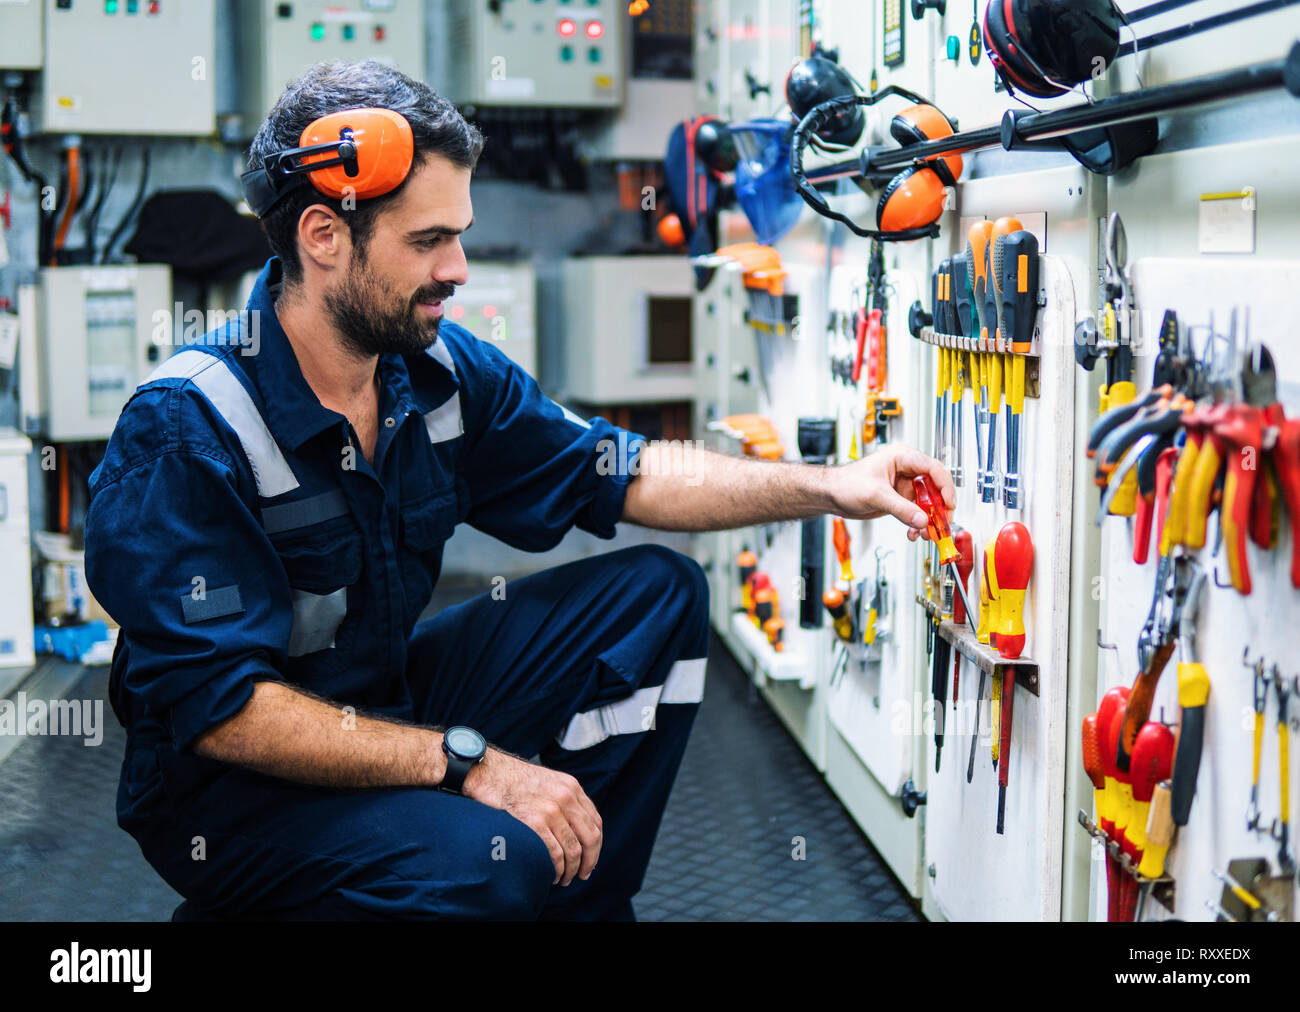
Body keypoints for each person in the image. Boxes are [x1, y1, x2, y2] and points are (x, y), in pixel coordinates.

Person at [85, 60, 955, 921]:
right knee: (494, 869)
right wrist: (471, 764)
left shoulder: (437, 376)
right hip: (236, 799)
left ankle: (579, 905)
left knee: (655, 598)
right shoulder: (187, 428)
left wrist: (833, 487)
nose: (459, 268)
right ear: (323, 237)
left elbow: (626, 470)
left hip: (380, 704)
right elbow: (226, 714)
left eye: (458, 234)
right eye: (428, 241)